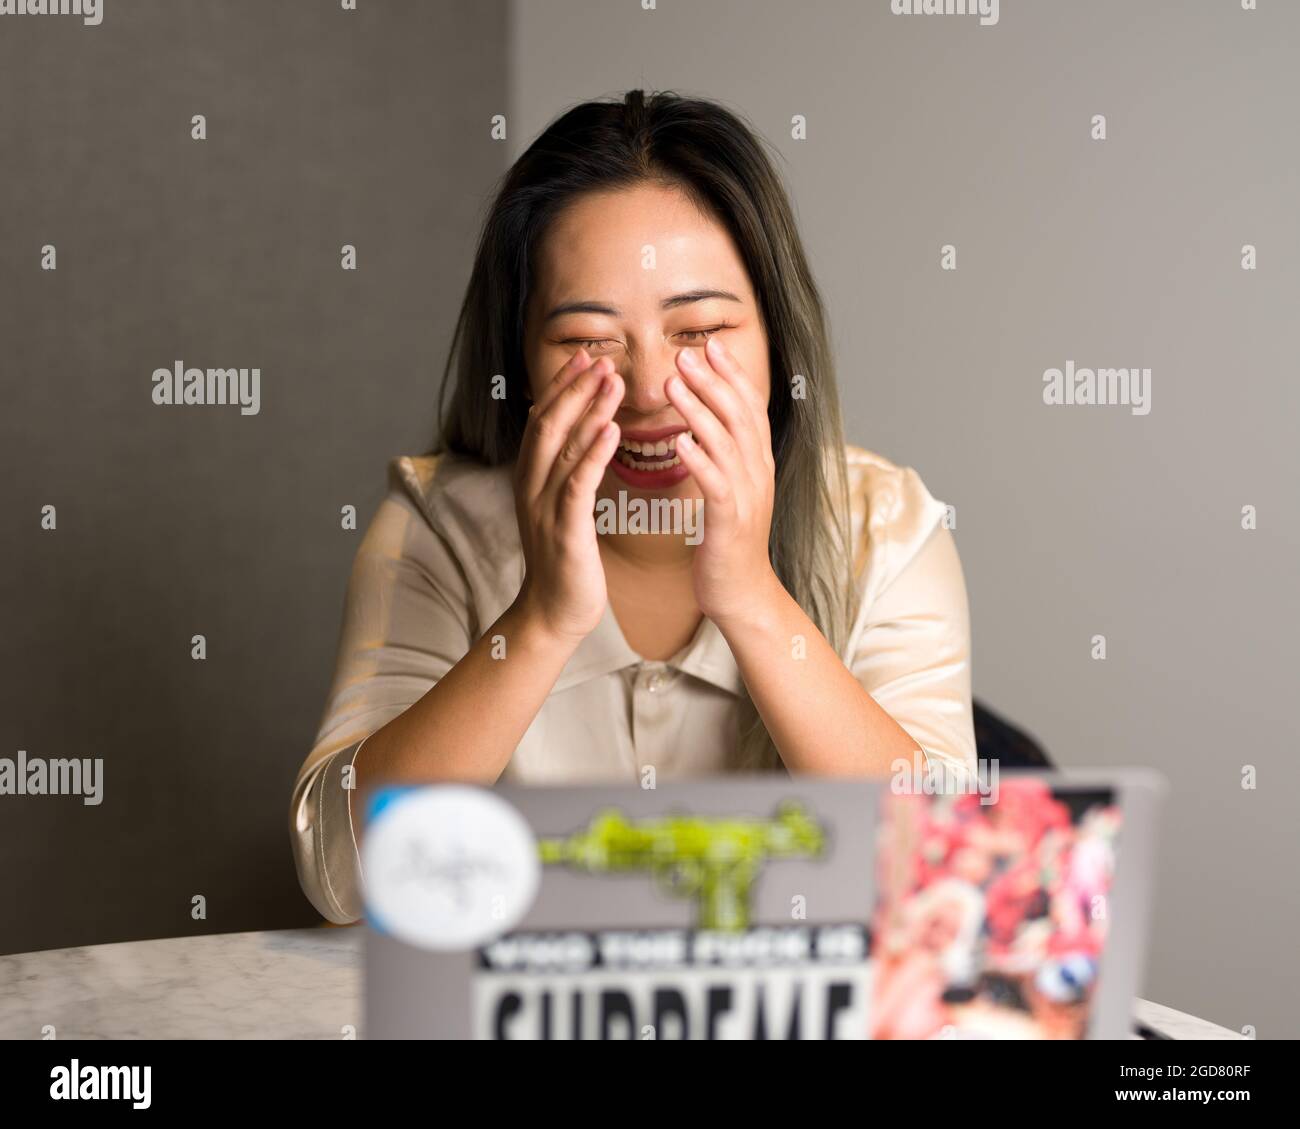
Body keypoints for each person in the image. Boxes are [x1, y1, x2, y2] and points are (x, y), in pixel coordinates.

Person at [290, 89, 976, 924]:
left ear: (776, 340)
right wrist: (540, 619)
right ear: (522, 360)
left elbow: (954, 884)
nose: (649, 392)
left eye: (698, 331)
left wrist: (754, 599)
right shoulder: (442, 525)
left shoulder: (885, 528)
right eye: (586, 341)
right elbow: (339, 876)